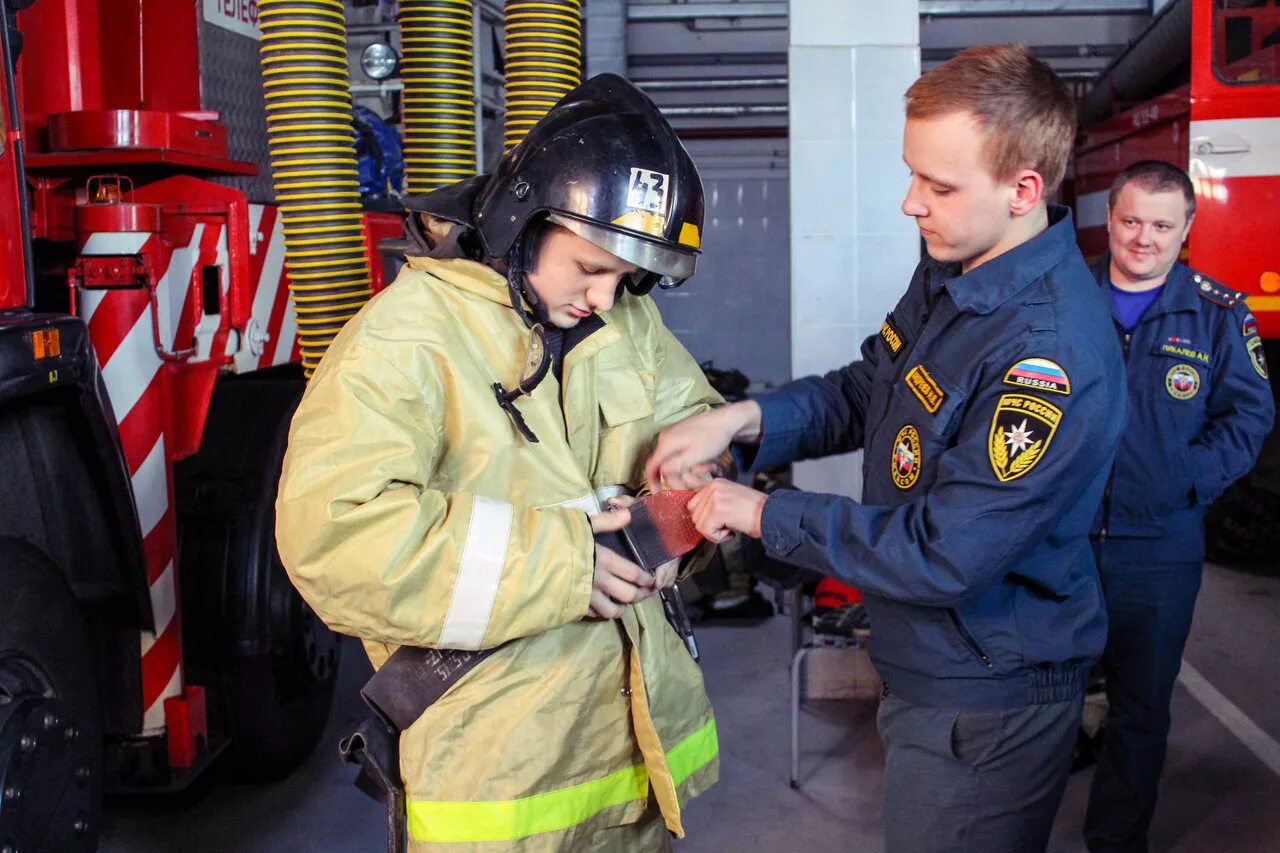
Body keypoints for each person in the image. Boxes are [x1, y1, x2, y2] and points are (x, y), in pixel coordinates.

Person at [646, 45, 1127, 851]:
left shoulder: (1047, 355)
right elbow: (871, 388)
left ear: (1024, 190)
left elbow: (944, 553)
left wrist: (765, 512)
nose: (912, 203)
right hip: (934, 667)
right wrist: (741, 420)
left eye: (939, 186)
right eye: (913, 175)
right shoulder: (958, 271)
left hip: (986, 698)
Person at [275, 74, 721, 851]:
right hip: (498, 795)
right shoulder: (410, 337)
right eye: (590, 266)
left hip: (635, 776)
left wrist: (691, 496)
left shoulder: (626, 325)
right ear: (526, 218)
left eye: (628, 278)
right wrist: (561, 565)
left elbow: (694, 422)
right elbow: (333, 536)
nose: (608, 300)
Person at [1083, 160, 1274, 852]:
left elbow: (1248, 420)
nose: (1144, 238)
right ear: (1110, 219)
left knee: (1140, 710)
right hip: (1058, 541)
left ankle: (1114, 841)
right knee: (1035, 704)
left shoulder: (1219, 314)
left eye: (1162, 225)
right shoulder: (1063, 299)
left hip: (1157, 550)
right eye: (1131, 221)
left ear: (1187, 229)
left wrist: (1180, 481)